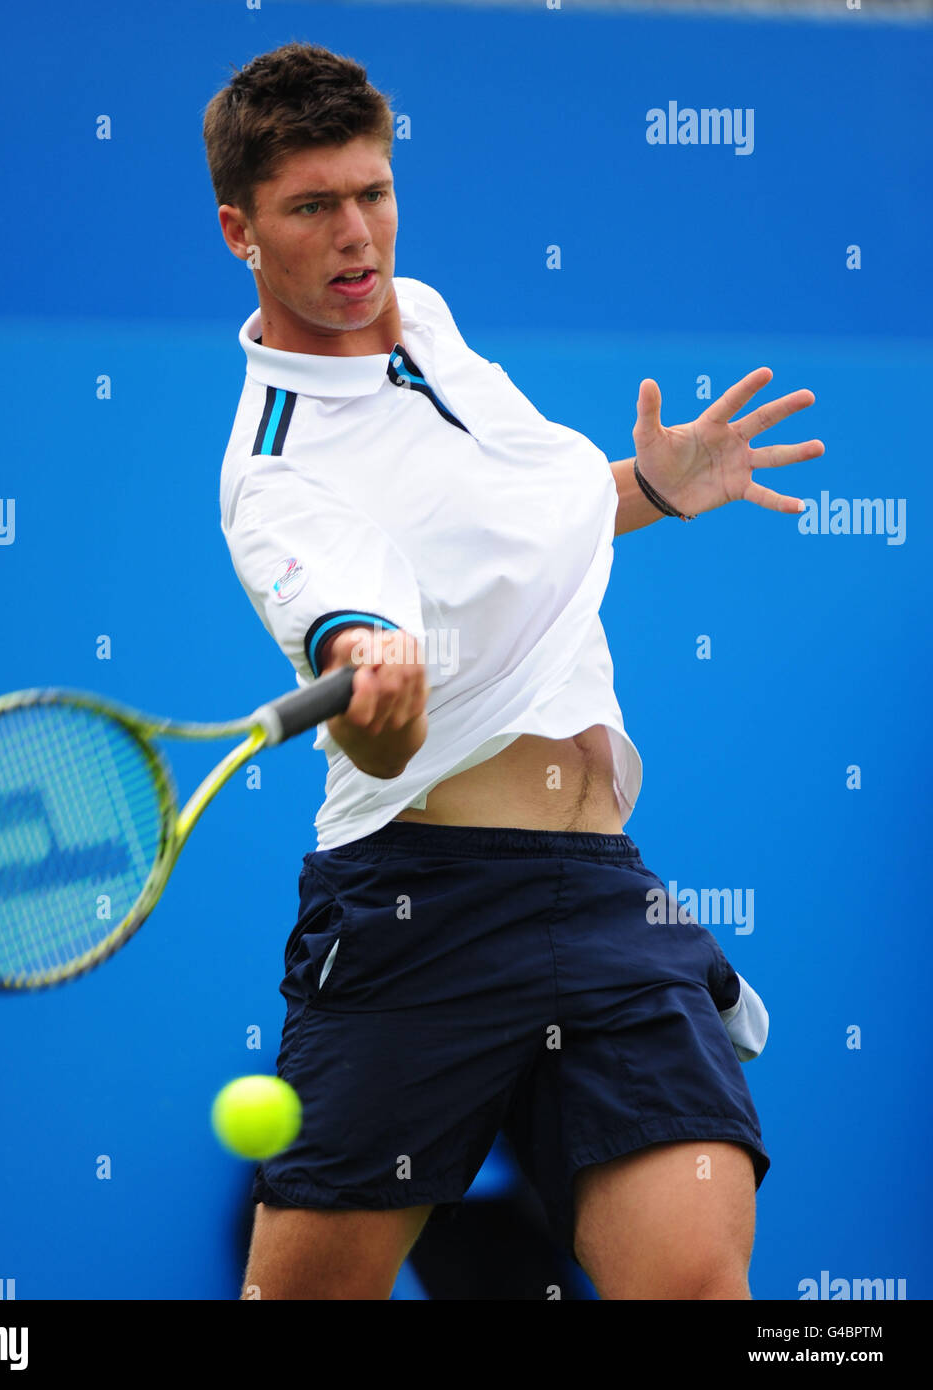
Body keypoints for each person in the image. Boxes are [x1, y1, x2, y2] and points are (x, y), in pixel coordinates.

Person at [203, 42, 823, 1301]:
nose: (354, 232)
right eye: (312, 207)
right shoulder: (273, 472)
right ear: (241, 231)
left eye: (371, 192)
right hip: (423, 906)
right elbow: (360, 658)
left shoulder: (424, 320)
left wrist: (650, 488)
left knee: (699, 1279)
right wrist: (372, 678)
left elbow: (511, 542)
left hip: (603, 894)